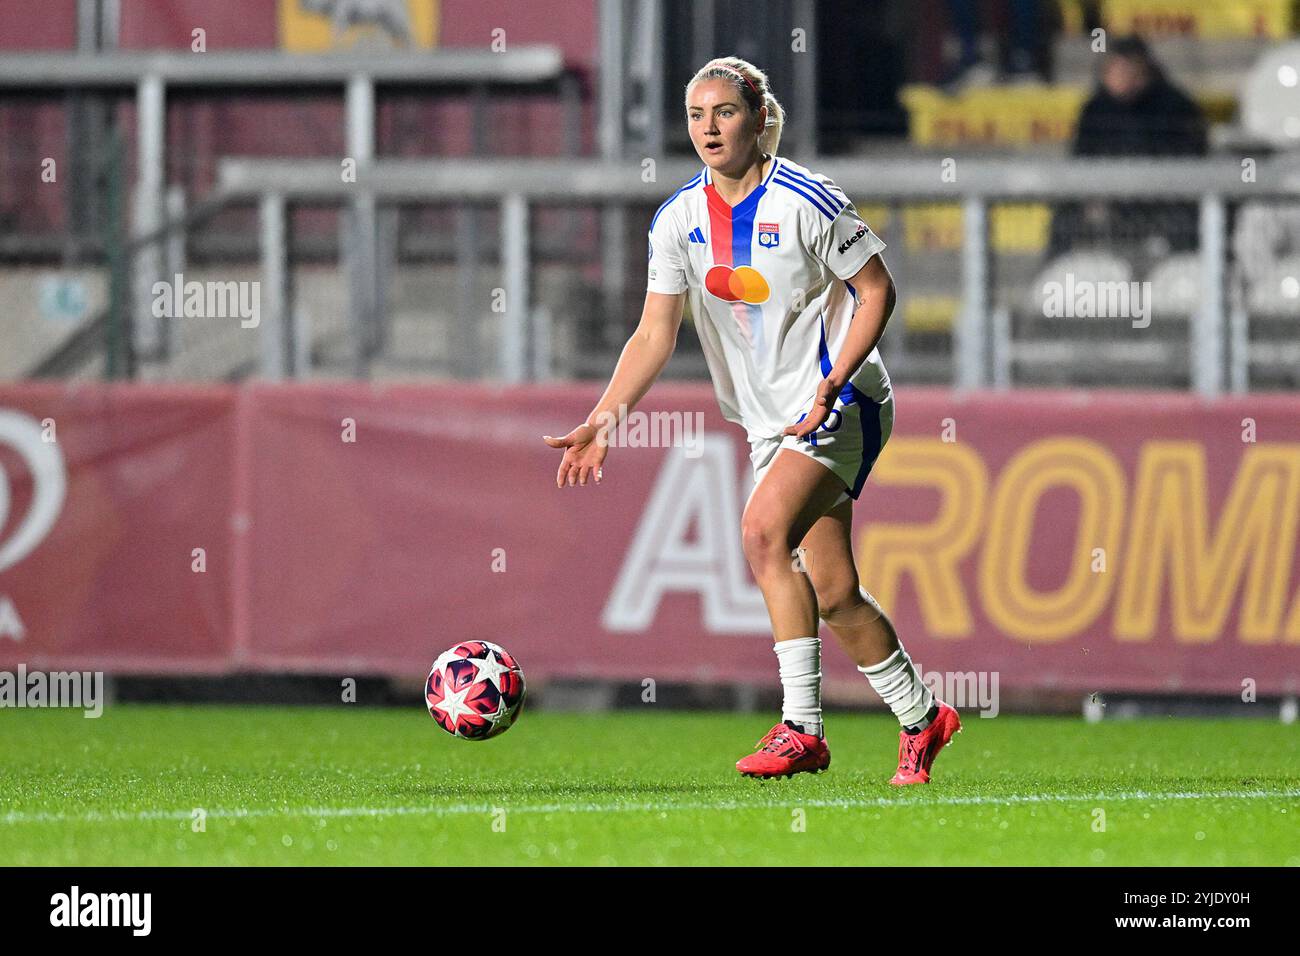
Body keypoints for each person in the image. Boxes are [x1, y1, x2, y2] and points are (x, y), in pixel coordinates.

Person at [543, 56, 961, 785]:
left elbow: (876, 290)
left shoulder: (806, 199)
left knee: (762, 533)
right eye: (696, 115)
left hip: (843, 398)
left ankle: (802, 728)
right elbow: (653, 334)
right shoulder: (677, 220)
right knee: (833, 593)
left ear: (759, 119)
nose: (709, 127)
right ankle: (923, 717)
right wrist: (605, 417)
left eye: (725, 112)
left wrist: (833, 380)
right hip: (772, 420)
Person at [1048, 35, 1208, 261]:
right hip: (1112, 199)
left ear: (1142, 70)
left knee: (1184, 217)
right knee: (1066, 209)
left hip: (1165, 198)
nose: (1117, 76)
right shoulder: (1095, 109)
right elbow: (1081, 157)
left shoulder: (1175, 106)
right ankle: (1055, 272)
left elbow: (1191, 158)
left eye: (1125, 69)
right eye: (1113, 70)